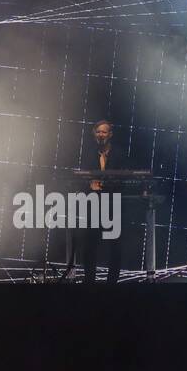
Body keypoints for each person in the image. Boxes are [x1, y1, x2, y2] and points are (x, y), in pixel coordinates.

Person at [75, 119, 131, 284]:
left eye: (104, 132)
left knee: (115, 246)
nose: (101, 135)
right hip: (93, 205)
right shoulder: (87, 154)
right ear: (94, 135)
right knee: (90, 246)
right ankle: (89, 282)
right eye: (98, 132)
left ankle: (112, 283)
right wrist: (89, 183)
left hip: (113, 205)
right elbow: (82, 176)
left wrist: (105, 184)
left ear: (110, 135)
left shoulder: (119, 154)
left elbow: (124, 178)